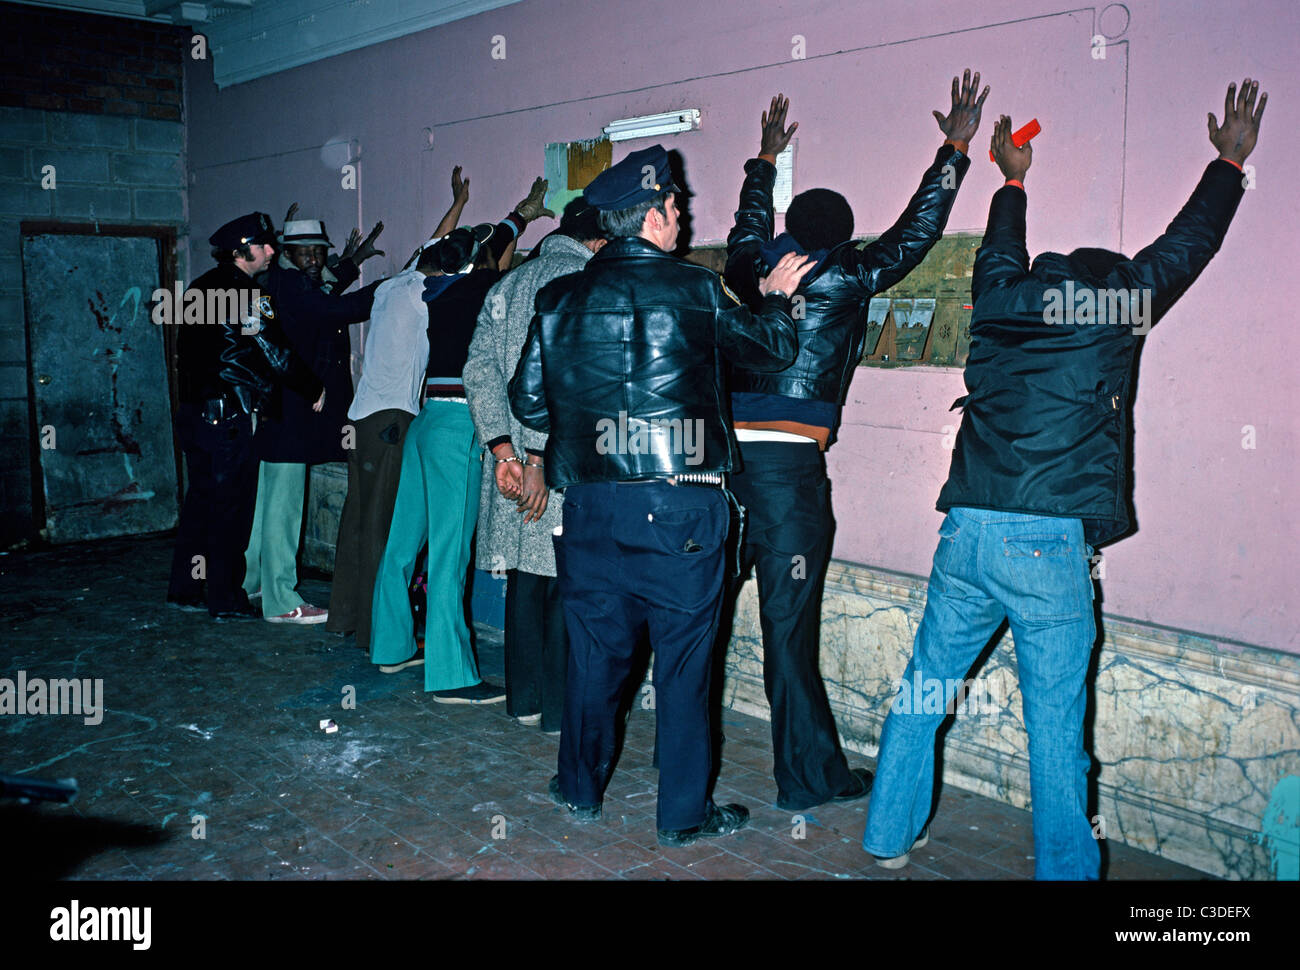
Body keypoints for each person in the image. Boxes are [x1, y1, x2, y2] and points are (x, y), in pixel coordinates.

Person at [862, 80, 1266, 879]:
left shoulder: (999, 300)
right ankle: (1064, 872)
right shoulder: (1116, 311)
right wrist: (1228, 163)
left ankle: (884, 838)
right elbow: (1184, 248)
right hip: (1048, 545)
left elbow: (998, 252)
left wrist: (1011, 179)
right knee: (1055, 728)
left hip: (968, 529)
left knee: (922, 693)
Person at [509, 145, 814, 846]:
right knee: (683, 666)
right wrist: (775, 299)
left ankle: (579, 787)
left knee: (592, 659)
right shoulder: (696, 289)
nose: (684, 218)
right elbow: (772, 351)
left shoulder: (558, 298)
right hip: (680, 509)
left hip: (588, 509)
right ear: (651, 218)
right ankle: (682, 814)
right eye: (677, 208)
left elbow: (527, 405)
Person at [721, 74, 988, 812]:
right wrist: (955, 149)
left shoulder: (751, 272)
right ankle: (808, 779)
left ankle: (678, 760)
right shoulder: (848, 274)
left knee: (701, 616)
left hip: (723, 465)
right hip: (787, 473)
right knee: (788, 629)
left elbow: (746, 230)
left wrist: (764, 159)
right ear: (840, 236)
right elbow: (915, 233)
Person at [369, 175, 553, 702]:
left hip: (425, 420)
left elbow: (484, 244)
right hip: (458, 428)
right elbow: (495, 247)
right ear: (479, 262)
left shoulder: (432, 288)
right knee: (450, 554)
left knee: (404, 543)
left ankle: (391, 647)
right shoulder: (484, 290)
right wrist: (522, 215)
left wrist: (517, 215)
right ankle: (452, 676)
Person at [463, 200, 607, 733]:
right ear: (598, 241)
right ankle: (558, 712)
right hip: (556, 459)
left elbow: (478, 370)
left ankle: (523, 700)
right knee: (564, 579)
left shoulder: (505, 286)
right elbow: (563, 381)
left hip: (508, 459)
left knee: (525, 577)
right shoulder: (585, 285)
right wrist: (540, 458)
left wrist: (506, 452)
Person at [328, 168, 470, 652]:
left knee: (357, 519)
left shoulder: (394, 285)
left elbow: (432, 245)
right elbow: (444, 258)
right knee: (383, 527)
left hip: (362, 416)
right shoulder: (428, 297)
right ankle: (376, 635)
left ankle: (344, 618)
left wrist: (458, 202)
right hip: (392, 418)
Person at [166, 212, 323, 619]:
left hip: (193, 416)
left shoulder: (198, 290)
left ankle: (186, 589)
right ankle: (225, 599)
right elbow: (274, 351)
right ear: (241, 251)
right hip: (228, 418)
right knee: (231, 512)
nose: (272, 251)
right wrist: (314, 387)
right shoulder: (251, 297)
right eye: (263, 245)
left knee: (200, 504)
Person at [244, 218, 384, 623]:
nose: (314, 259)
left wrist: (352, 262)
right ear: (286, 254)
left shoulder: (284, 282)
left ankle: (252, 582)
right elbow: (340, 307)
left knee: (265, 507)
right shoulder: (290, 287)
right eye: (304, 252)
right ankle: (282, 601)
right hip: (292, 411)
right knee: (284, 510)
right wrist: (405, 279)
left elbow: (324, 288)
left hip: (274, 410)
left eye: (320, 251)